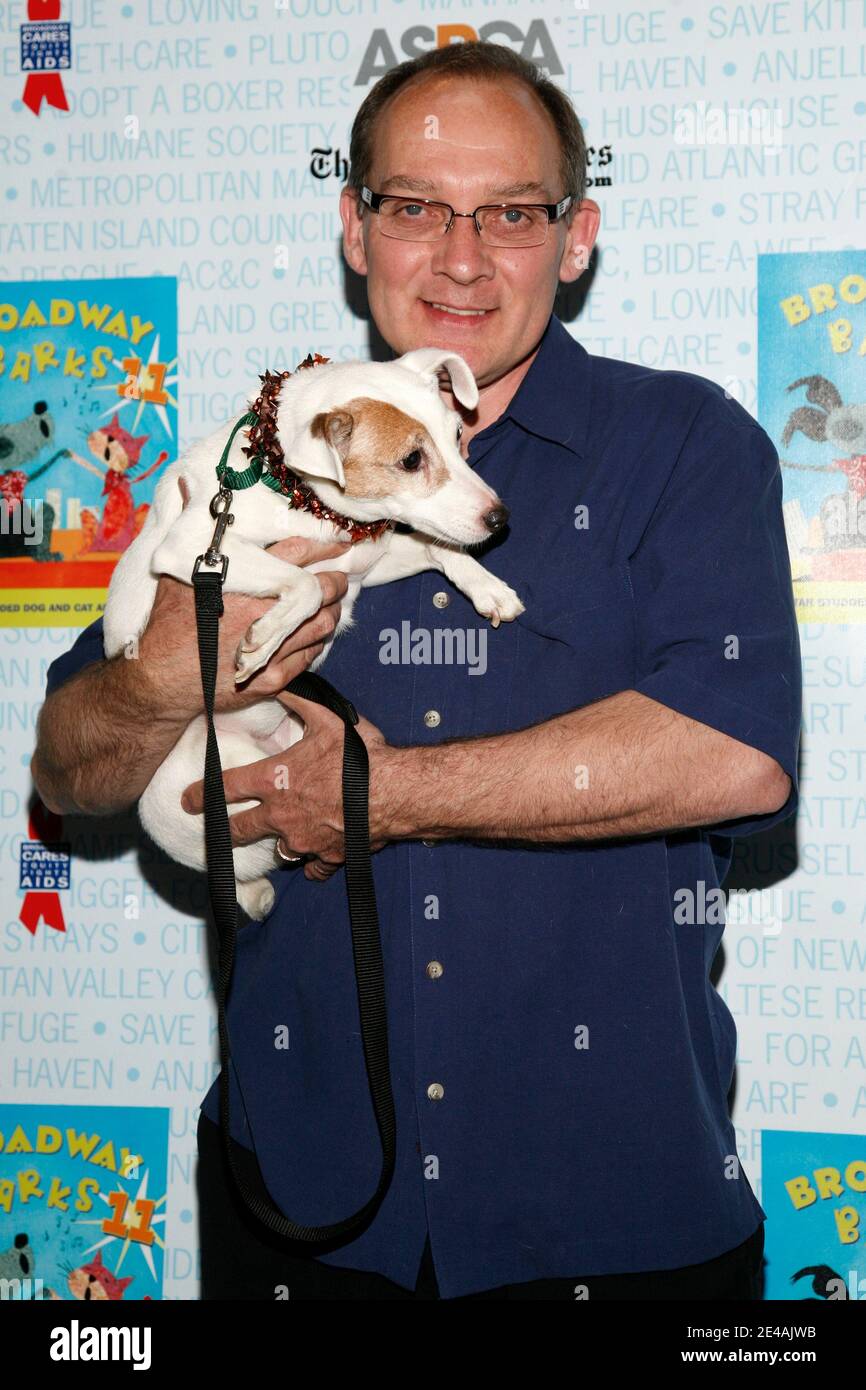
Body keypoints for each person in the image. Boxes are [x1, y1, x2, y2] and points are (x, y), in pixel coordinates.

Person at [33, 41, 801, 1301]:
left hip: (614, 1218)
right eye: (413, 207)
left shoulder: (685, 444)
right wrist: (177, 667)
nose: (459, 255)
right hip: (302, 1211)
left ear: (576, 235)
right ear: (353, 228)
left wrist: (383, 794)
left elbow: (733, 753)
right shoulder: (252, 461)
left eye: (509, 211)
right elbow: (71, 767)